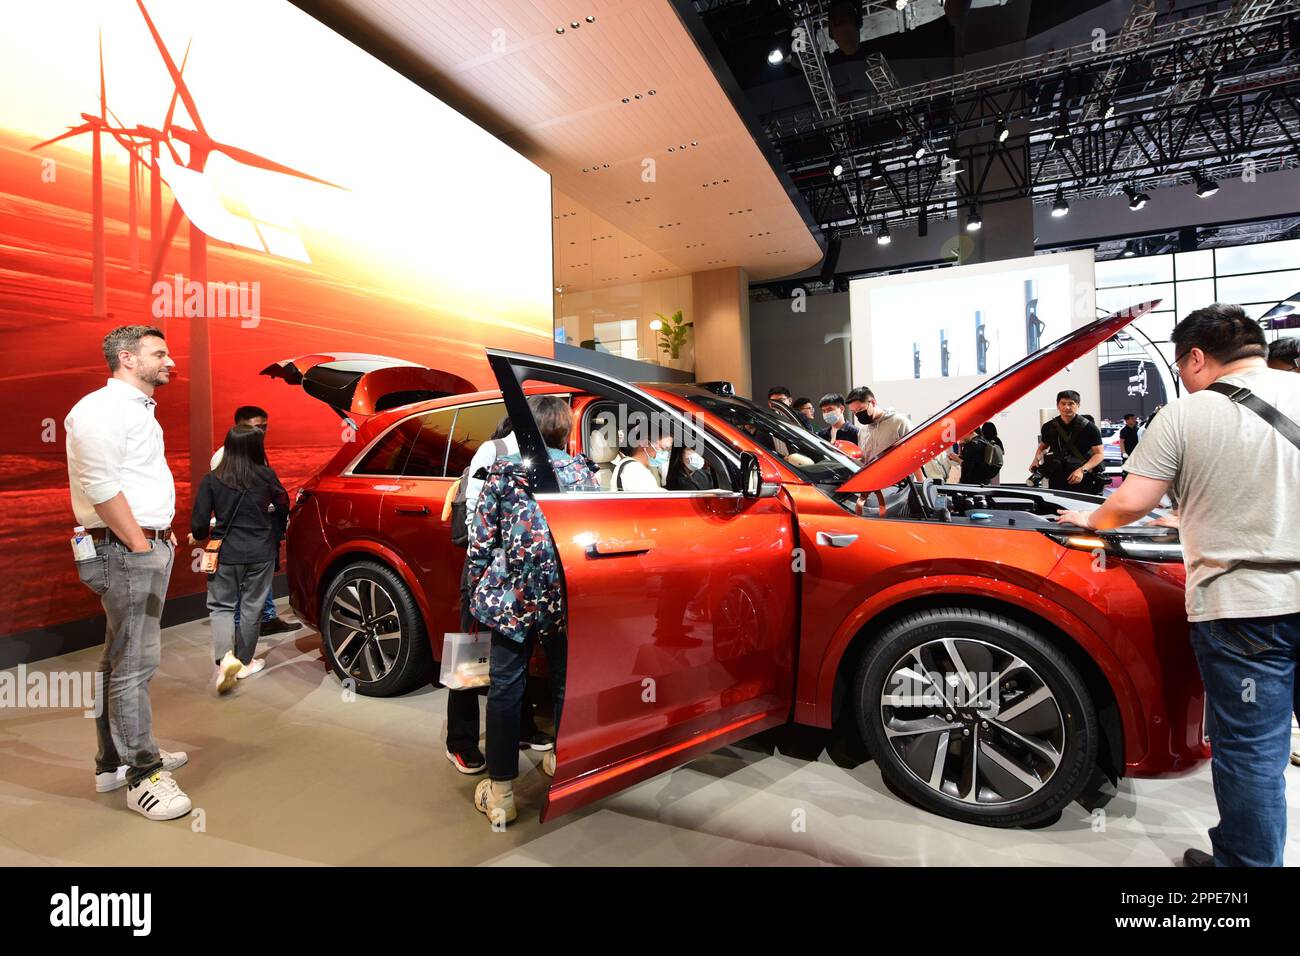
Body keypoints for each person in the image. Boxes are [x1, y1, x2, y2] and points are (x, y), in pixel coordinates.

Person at [1057, 304, 1300, 868]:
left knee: (1253, 755)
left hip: (1246, 609)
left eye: (1180, 363)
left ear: (1196, 356)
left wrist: (1091, 521)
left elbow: (1131, 502)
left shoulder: (1187, 415)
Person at [65, 325, 190, 820]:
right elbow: (99, 483)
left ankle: (111, 763)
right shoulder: (100, 409)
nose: (171, 361)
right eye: (160, 353)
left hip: (138, 545)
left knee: (118, 659)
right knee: (134, 664)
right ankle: (143, 774)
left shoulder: (136, 409)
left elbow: (134, 478)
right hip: (125, 550)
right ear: (127, 359)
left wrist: (159, 530)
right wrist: (140, 543)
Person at [466, 396, 598, 826]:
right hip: (566, 592)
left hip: (512, 594)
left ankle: (501, 792)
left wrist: (475, 592)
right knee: (566, 683)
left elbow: (481, 541)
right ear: (563, 429)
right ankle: (564, 762)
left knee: (505, 687)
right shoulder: (583, 475)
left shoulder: (503, 474)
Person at [445, 416, 550, 774]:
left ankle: (521, 727)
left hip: (525, 575)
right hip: (488, 570)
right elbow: (476, 517)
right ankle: (460, 740)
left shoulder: (550, 457)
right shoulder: (495, 451)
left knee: (517, 652)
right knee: (472, 653)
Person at [189, 424, 289, 692]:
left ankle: (225, 660)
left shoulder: (212, 479)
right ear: (257, 447)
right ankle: (244, 662)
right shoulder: (266, 475)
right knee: (252, 607)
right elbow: (283, 504)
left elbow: (198, 523)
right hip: (261, 551)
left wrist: (201, 532)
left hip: (226, 553)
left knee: (221, 607)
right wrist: (275, 531)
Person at [210, 406, 299, 637]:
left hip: (259, 529)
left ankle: (266, 617)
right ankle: (241, 637)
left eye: (265, 427)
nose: (262, 432)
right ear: (240, 427)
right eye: (257, 427)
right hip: (240, 533)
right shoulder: (224, 457)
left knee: (260, 578)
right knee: (244, 586)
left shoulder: (256, 454)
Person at [1029, 390, 1104, 490]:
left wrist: (1082, 470)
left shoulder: (1089, 428)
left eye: (1071, 404)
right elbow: (1043, 447)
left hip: (1081, 476)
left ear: (1078, 405)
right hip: (1056, 475)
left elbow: (1099, 454)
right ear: (1058, 405)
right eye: (1063, 403)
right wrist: (1035, 460)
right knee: (1055, 504)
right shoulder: (1048, 427)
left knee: (1080, 504)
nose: (1066, 407)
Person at [846, 386, 912, 462]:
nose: (857, 414)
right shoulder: (862, 431)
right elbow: (865, 459)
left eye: (860, 409)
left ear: (873, 403)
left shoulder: (899, 422)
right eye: (854, 412)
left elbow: (914, 451)